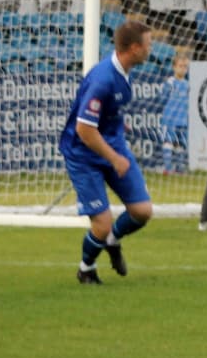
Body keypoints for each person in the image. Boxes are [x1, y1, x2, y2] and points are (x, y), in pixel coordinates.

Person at [59, 20, 154, 285]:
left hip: (113, 144)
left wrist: (116, 125)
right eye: (148, 45)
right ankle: (86, 268)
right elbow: (84, 129)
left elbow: (102, 116)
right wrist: (114, 158)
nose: (151, 50)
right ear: (134, 48)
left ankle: (113, 240)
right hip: (83, 154)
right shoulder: (103, 79)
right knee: (101, 224)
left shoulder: (124, 71)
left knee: (142, 211)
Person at [159, 53, 190, 175]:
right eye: (180, 66)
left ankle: (180, 169)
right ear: (174, 67)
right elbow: (162, 100)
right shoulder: (170, 83)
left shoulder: (187, 84)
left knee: (180, 145)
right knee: (168, 142)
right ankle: (168, 168)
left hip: (182, 120)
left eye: (185, 66)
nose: (182, 68)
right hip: (170, 119)